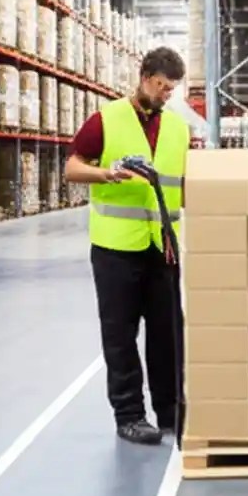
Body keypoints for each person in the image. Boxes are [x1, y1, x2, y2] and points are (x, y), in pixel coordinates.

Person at [64, 47, 190, 446]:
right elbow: (72, 167)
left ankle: (170, 411)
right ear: (144, 77)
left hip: (162, 246)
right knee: (120, 335)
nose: (166, 94)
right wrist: (106, 174)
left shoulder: (178, 129)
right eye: (161, 86)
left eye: (171, 89)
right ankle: (130, 415)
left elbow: (184, 184)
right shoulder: (106, 119)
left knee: (168, 334)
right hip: (115, 248)